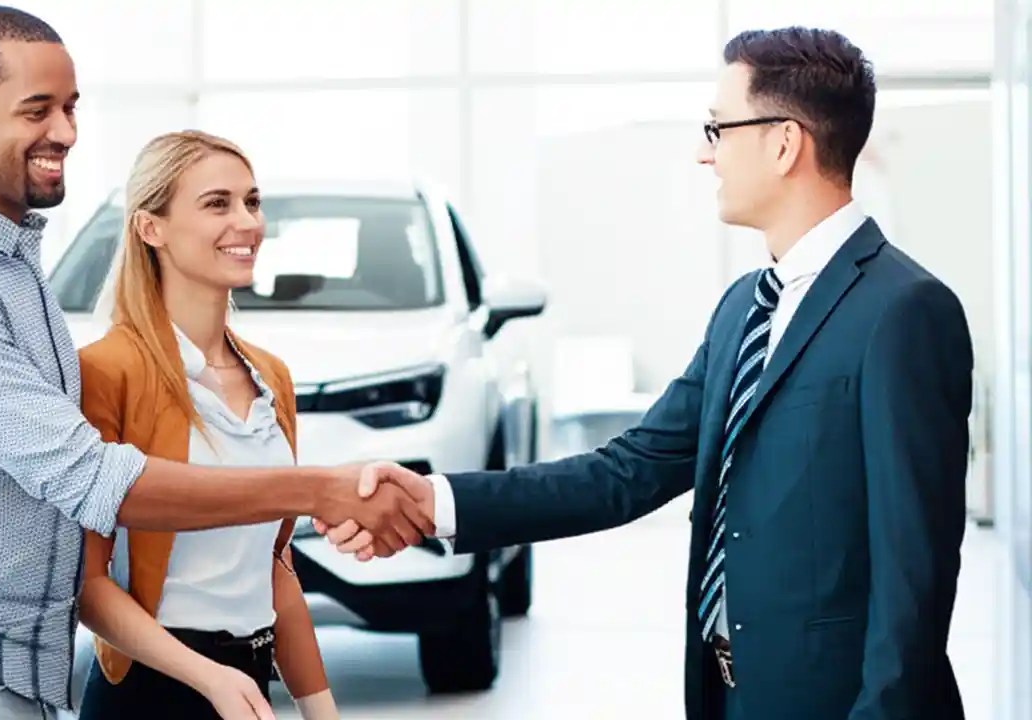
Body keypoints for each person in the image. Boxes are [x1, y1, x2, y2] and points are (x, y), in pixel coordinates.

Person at [323, 26, 973, 720]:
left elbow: (914, 576)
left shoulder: (904, 311)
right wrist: (435, 502)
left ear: (785, 143)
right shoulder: (743, 309)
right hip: (728, 693)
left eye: (719, 129)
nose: (704, 152)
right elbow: (627, 471)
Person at [0, 7, 427, 719]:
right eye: (37, 110)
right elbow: (93, 481)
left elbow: (268, 566)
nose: (65, 132)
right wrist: (319, 489)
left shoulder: (8, 264)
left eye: (71, 108)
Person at [73, 130, 339, 720]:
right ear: (151, 228)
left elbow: (275, 567)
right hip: (151, 692)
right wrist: (208, 678)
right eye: (217, 204)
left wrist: (321, 711)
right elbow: (87, 585)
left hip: (246, 685)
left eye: (252, 201)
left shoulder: (271, 376)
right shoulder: (106, 370)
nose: (247, 222)